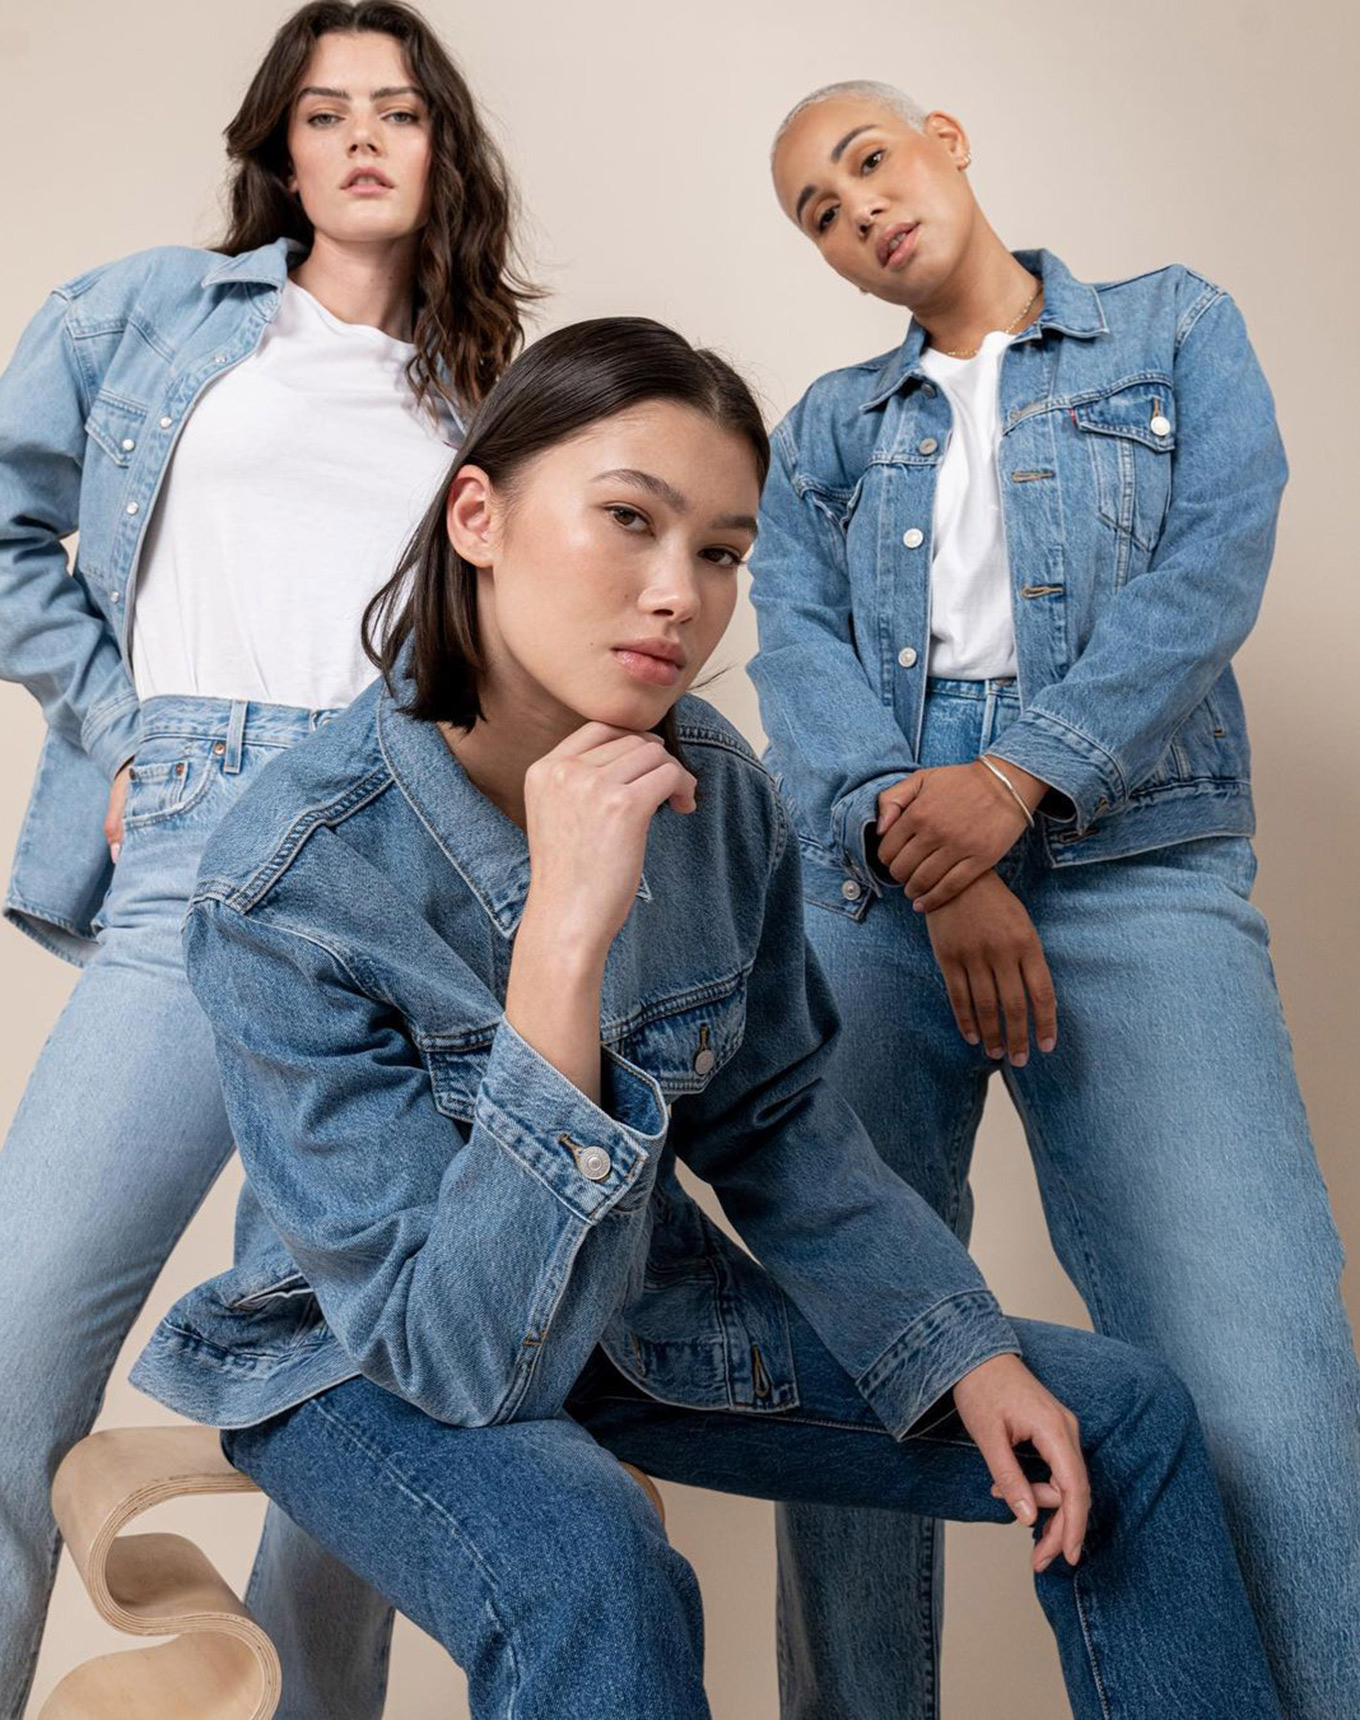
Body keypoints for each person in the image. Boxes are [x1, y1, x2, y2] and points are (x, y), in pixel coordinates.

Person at [130, 315, 1280, 1720]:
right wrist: (562, 935)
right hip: (368, 1354)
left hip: (631, 1308)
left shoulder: (719, 793)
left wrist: (959, 1344)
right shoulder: (289, 878)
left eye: (723, 552)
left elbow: (783, 1124)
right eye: (628, 520)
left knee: (1121, 1424)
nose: (680, 594)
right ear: (477, 517)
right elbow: (462, 1364)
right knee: (589, 1558)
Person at [750, 78, 1360, 1719]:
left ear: (944, 137)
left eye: (866, 159)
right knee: (868, 1359)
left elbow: (1218, 557)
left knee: (1256, 1363)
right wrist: (922, 840)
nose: (857, 208)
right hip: (881, 878)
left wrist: (1017, 783)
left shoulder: (1172, 329)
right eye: (818, 209)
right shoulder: (821, 429)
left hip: (1134, 846)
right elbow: (793, 651)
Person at [0, 4, 537, 1712]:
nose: (363, 138)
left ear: (442, 146)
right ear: (281, 149)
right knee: (18, 1345)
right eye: (326, 112)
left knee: (343, 1389)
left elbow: (530, 641)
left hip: (408, 861)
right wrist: (113, 722)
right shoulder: (154, 311)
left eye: (398, 110)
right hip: (199, 833)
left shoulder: (498, 395)